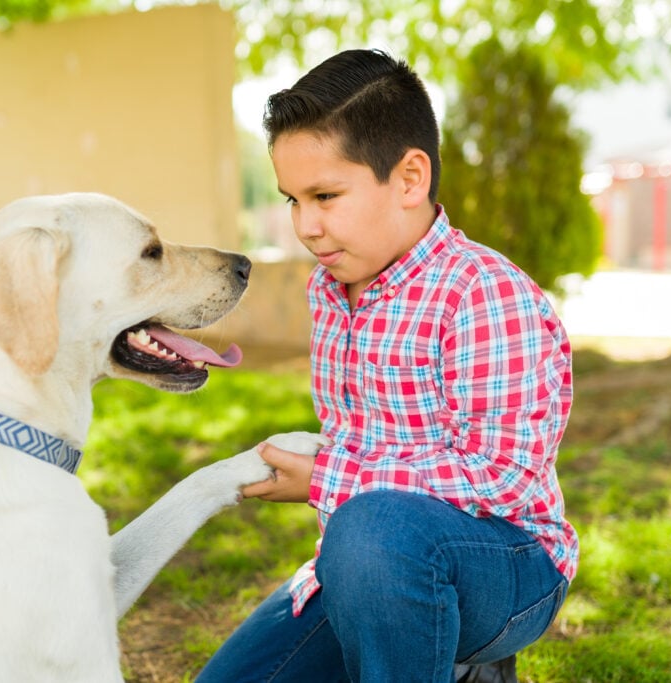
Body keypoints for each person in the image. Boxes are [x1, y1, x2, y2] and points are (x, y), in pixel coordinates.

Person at [195, 49, 578, 682]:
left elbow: (501, 478)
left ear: (409, 179)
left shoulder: (483, 294)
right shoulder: (332, 289)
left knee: (373, 529)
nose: (306, 226)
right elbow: (357, 443)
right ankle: (425, 649)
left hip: (509, 568)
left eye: (325, 195)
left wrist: (326, 482)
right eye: (293, 199)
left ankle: (464, 655)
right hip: (364, 565)